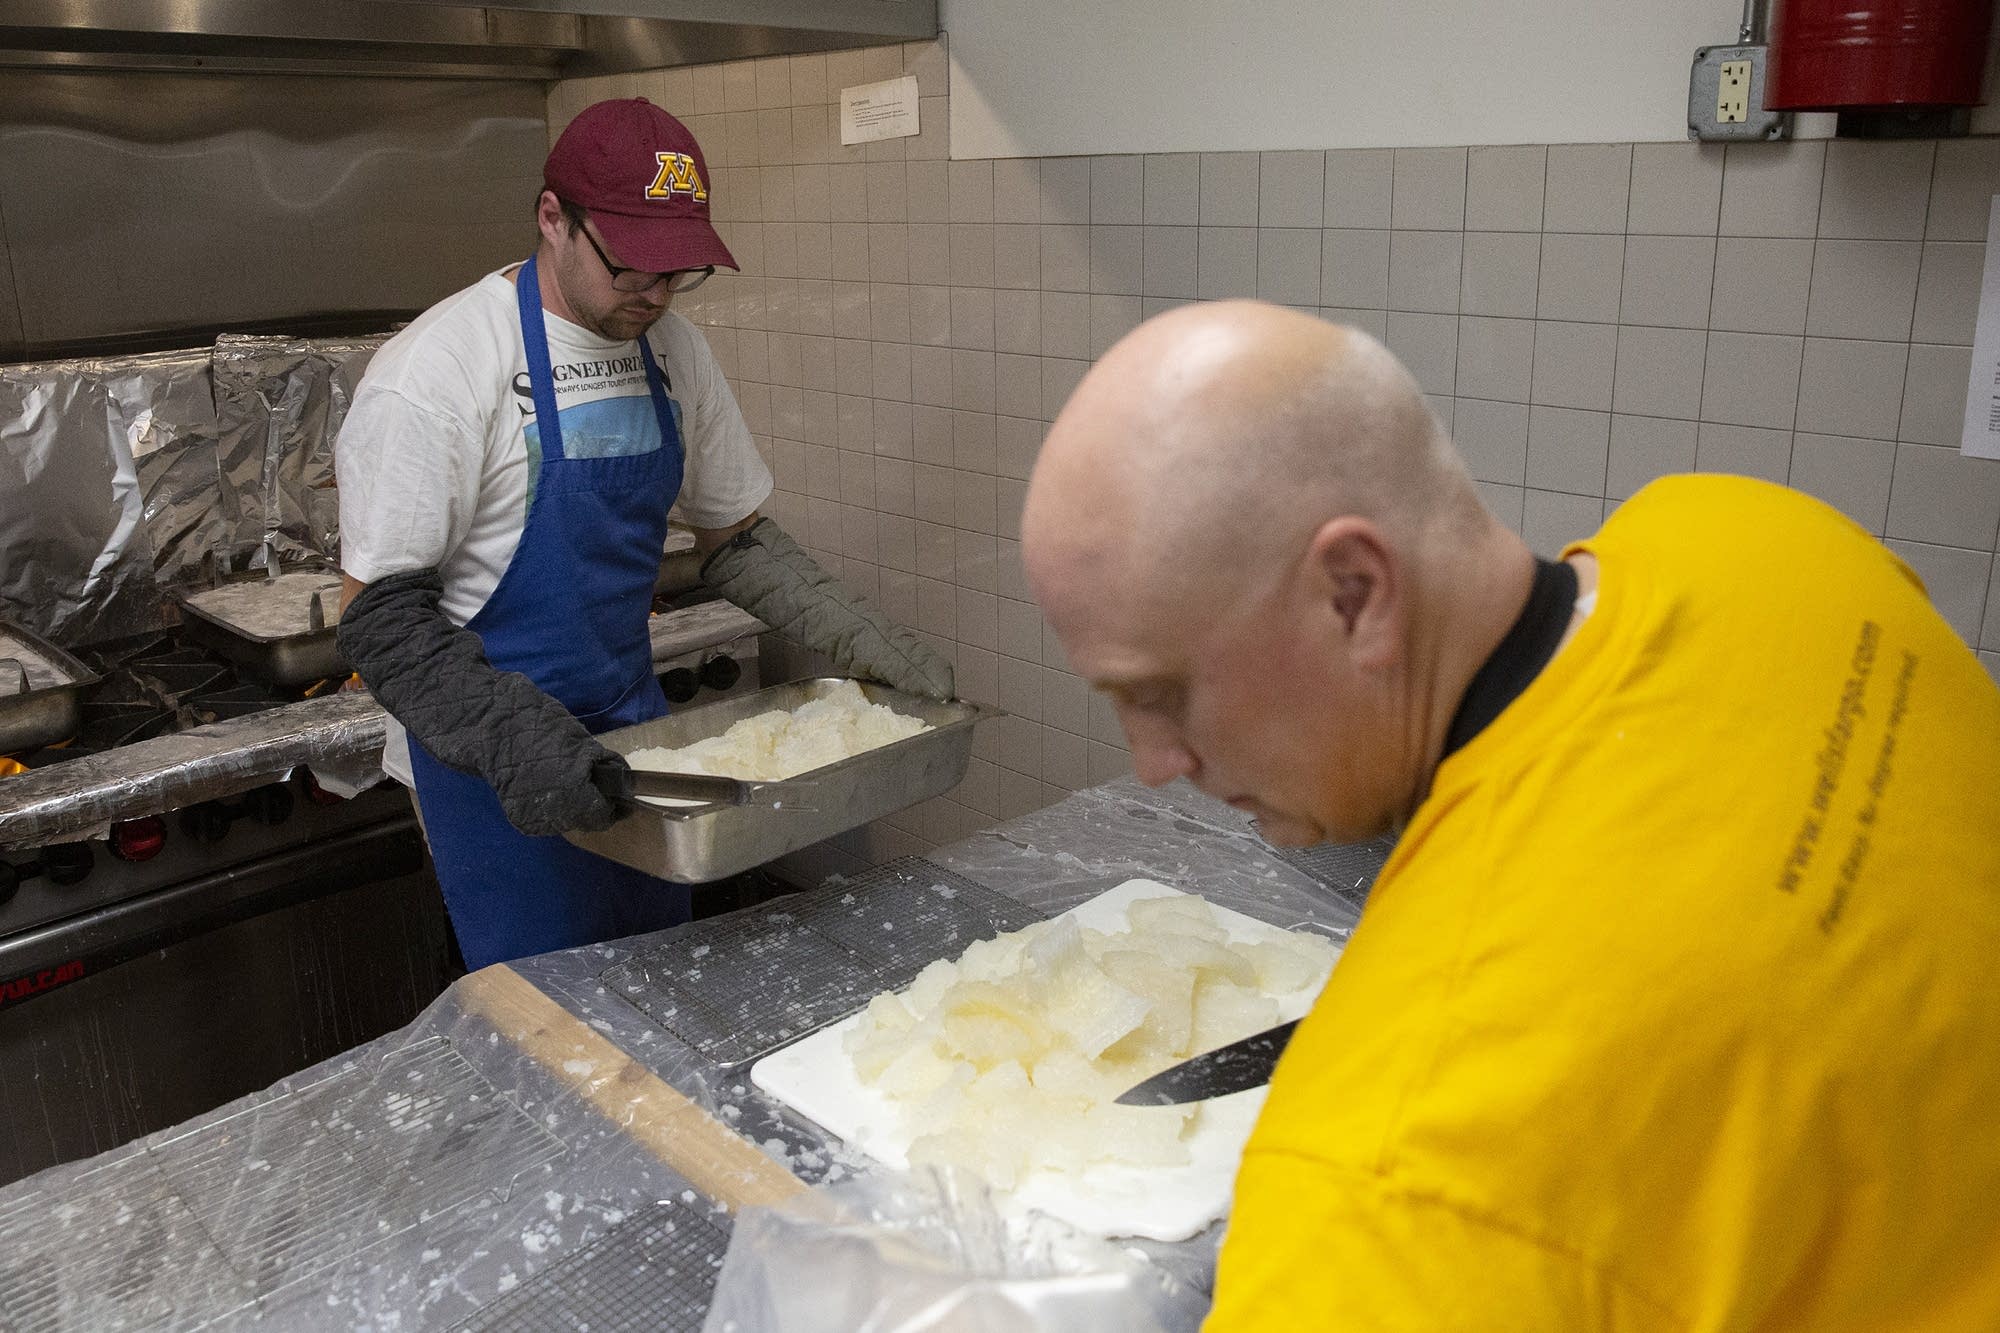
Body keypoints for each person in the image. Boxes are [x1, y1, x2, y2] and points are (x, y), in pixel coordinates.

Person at [1021, 299, 2000, 1329]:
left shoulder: (1386, 1182)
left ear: (1354, 593)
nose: (1152, 764)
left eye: (1160, 691)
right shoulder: (1755, 529)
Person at [334, 98, 950, 971]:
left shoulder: (674, 350)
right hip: (493, 763)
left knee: (660, 992)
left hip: (640, 743)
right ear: (554, 220)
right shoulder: (437, 372)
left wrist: (859, 636)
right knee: (551, 1021)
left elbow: (733, 536)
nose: (656, 295)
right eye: (632, 268)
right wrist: (518, 739)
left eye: (678, 272)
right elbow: (377, 619)